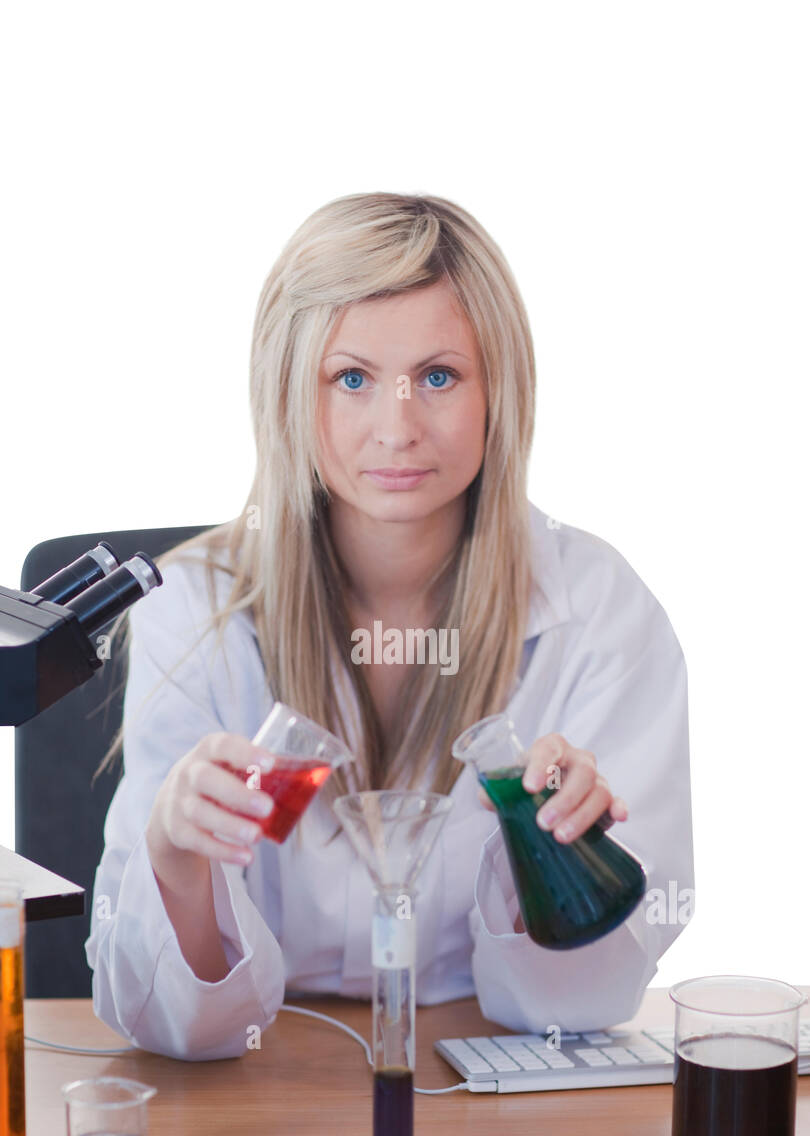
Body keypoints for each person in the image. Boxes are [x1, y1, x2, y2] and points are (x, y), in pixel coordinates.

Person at [87, 191, 694, 1062]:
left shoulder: (598, 611)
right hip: (260, 1098)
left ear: (501, 389)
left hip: (486, 1098)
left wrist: (556, 859)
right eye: (353, 379)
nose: (398, 429)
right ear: (290, 390)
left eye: (439, 376)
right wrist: (177, 858)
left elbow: (581, 1009)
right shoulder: (193, 608)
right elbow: (170, 1025)